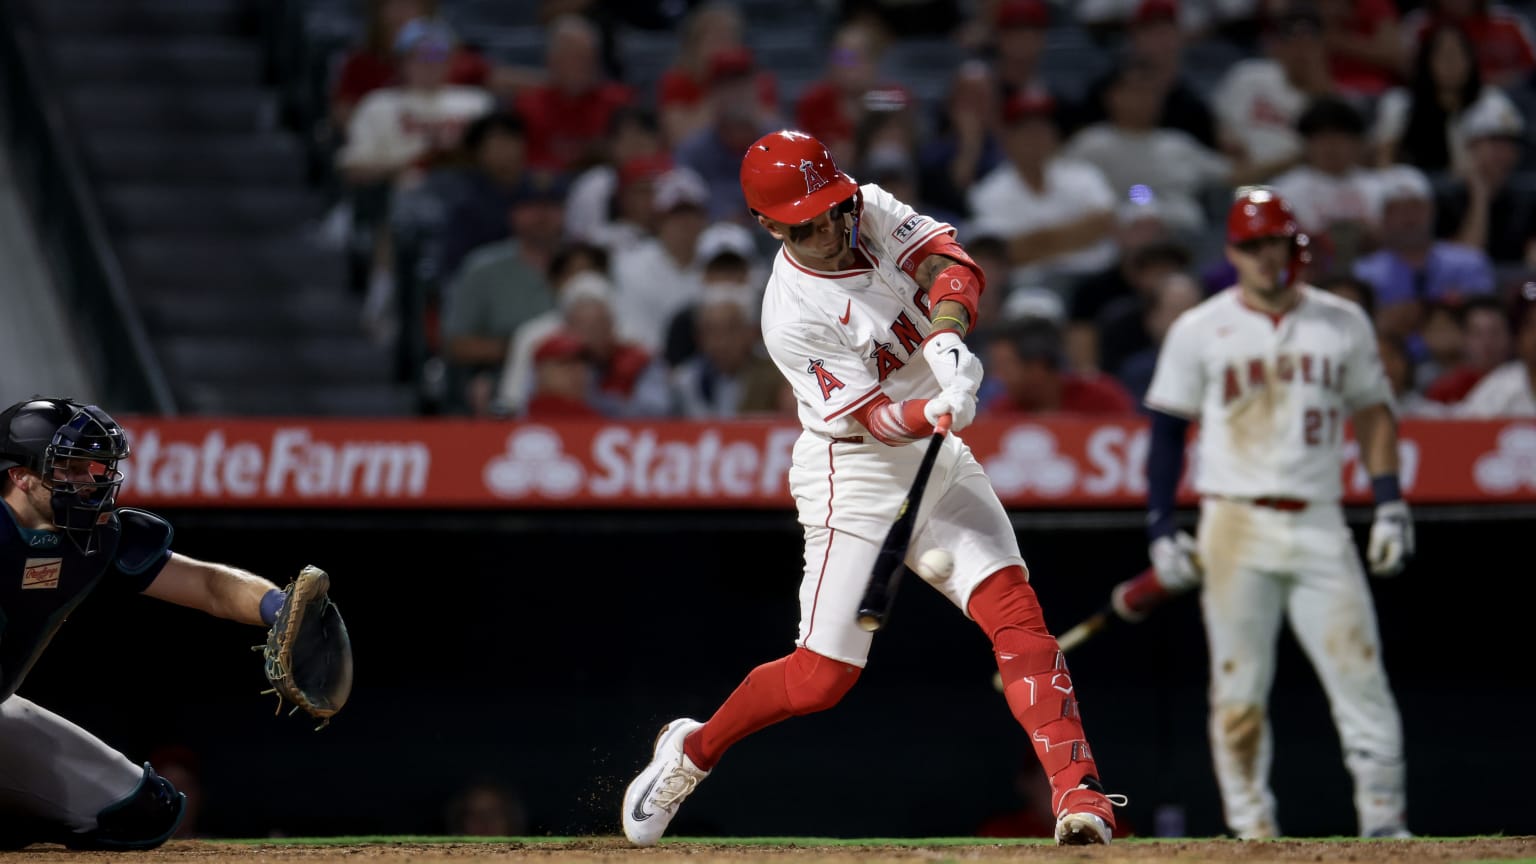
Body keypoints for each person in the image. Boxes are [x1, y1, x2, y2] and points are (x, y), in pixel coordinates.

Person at [620, 130, 1125, 847]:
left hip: (939, 460)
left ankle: (1081, 798)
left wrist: (947, 336)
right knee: (820, 680)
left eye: (832, 208)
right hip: (854, 472)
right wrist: (936, 406)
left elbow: (953, 263)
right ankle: (694, 751)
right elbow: (875, 420)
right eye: (806, 222)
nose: (827, 228)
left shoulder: (869, 207)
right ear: (769, 227)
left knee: (1018, 620)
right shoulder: (788, 312)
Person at [1123, 188, 1414, 839]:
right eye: (1249, 244)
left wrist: (1390, 500)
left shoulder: (1342, 320)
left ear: (1293, 245)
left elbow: (1372, 410)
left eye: (1272, 241)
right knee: (1238, 693)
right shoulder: (1201, 326)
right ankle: (1254, 833)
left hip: (1319, 517)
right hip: (1234, 521)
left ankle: (1386, 827)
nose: (1262, 255)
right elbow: (1167, 432)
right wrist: (1161, 526)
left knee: (1360, 676)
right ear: (1232, 251)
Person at [0, 398, 305, 849]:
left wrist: (280, 607)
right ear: (20, 475)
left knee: (143, 812)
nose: (89, 482)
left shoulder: (96, 539)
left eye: (94, 468)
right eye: (70, 468)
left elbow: (208, 585)